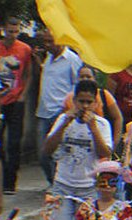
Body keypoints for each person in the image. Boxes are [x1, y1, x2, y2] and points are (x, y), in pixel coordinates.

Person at [44, 80, 114, 220]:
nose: (85, 106)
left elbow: (105, 153)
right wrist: (64, 125)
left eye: (89, 102)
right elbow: (47, 149)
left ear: (96, 103)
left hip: (88, 187)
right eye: (81, 102)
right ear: (74, 101)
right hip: (62, 185)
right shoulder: (63, 119)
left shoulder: (102, 124)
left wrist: (93, 128)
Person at [0, 17, 33, 194]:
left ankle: (10, 182)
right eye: (10, 31)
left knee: (14, 142)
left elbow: (28, 74)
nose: (12, 35)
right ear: (3, 31)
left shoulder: (25, 49)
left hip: (16, 101)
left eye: (16, 32)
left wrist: (23, 95)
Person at [35, 29, 83, 185]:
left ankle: (57, 185)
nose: (47, 45)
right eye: (45, 41)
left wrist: (70, 108)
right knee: (43, 153)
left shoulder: (72, 60)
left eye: (51, 41)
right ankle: (53, 182)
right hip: (44, 112)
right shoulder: (48, 58)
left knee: (59, 153)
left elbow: (78, 86)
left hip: (60, 112)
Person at [62, 65, 123, 148]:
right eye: (82, 77)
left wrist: (114, 143)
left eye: (88, 77)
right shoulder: (69, 98)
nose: (85, 79)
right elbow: (64, 119)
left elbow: (117, 118)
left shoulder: (104, 95)